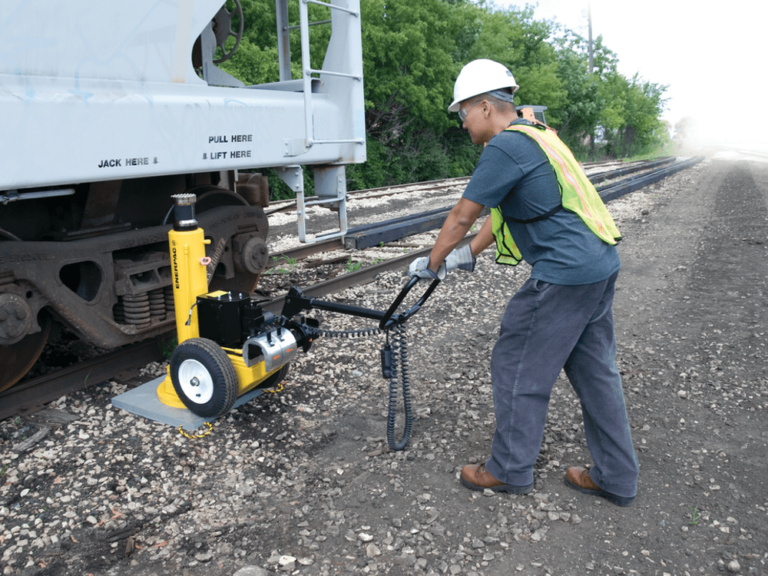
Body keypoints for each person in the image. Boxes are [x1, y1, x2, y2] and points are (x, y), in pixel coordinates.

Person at [408, 59, 639, 507]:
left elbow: (462, 215)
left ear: (487, 106)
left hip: (564, 274)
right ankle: (616, 476)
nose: (463, 123)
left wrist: (432, 263)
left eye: (464, 113)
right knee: (596, 375)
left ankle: (509, 469)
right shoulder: (539, 135)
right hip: (598, 263)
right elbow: (506, 215)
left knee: (516, 364)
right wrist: (463, 257)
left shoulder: (504, 147)